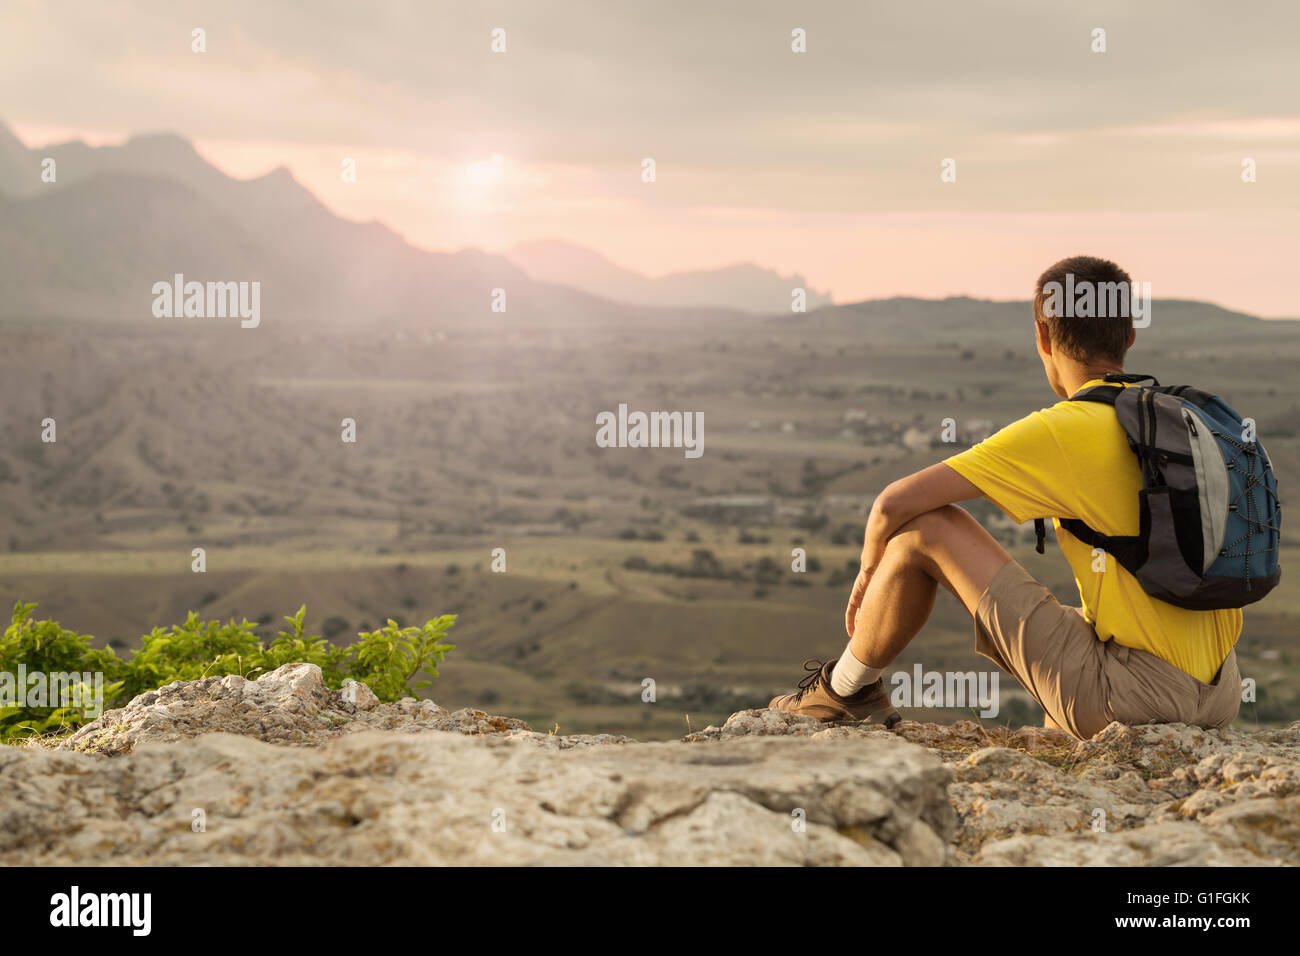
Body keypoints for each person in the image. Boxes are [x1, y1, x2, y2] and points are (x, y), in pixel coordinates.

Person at [769, 256, 1243, 739]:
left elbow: (893, 505)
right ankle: (1065, 730)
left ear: (1043, 336)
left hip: (1136, 697)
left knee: (925, 531)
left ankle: (847, 691)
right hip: (1221, 692)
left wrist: (868, 573)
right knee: (1078, 622)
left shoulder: (1069, 427)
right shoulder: (1184, 419)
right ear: (1130, 337)